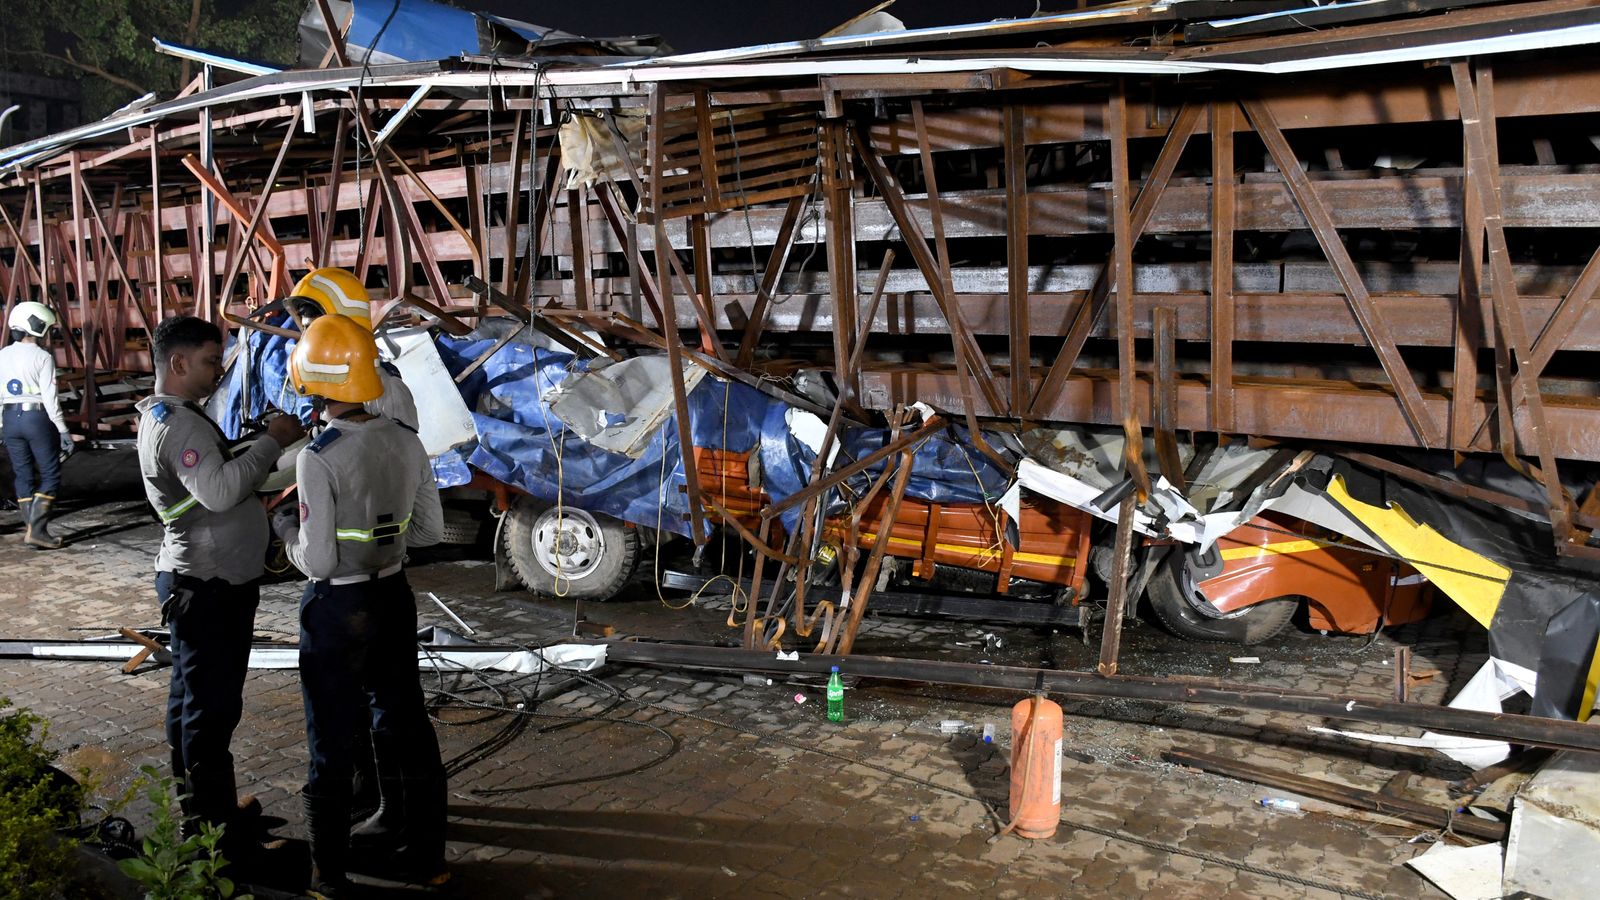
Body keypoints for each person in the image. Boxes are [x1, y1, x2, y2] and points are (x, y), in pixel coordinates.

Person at [274, 314, 446, 897]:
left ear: (314, 381)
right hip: (393, 598)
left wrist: (285, 533)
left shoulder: (317, 456)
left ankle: (329, 873)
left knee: (331, 736)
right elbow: (427, 534)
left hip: (337, 609)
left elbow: (318, 561)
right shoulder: (405, 438)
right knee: (405, 724)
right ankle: (428, 856)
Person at [135, 316, 307, 865]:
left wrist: (254, 450)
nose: (218, 372)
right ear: (178, 363)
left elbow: (221, 475)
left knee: (193, 703)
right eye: (211, 361)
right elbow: (218, 489)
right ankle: (219, 842)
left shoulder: (175, 415)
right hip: (208, 586)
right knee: (209, 711)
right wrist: (274, 440)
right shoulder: (179, 425)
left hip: (201, 579)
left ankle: (206, 815)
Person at [285, 267, 418, 431]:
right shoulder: (329, 379)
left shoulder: (386, 388)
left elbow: (401, 448)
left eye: (313, 327)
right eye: (306, 328)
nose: (308, 337)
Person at [0, 301, 74, 549]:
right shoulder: (42, 357)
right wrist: (63, 430)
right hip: (36, 419)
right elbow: (50, 399)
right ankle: (38, 531)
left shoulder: (2, 355)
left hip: (10, 419)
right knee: (50, 473)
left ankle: (31, 529)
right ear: (37, 325)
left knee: (23, 474)